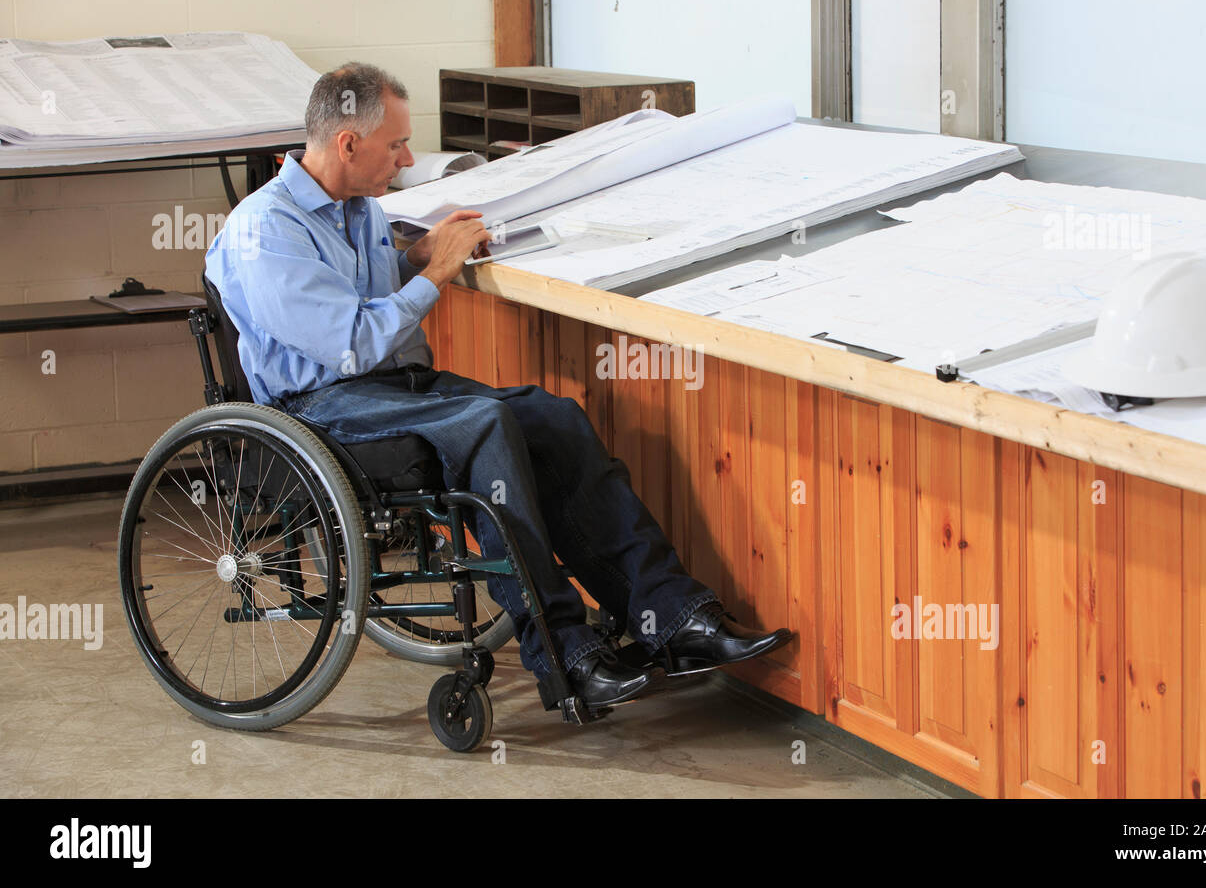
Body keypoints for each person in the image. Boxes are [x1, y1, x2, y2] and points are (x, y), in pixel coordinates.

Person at [205, 62, 792, 709]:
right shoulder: (265, 231)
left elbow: (358, 294)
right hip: (318, 409)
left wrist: (414, 257)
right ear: (349, 144)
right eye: (396, 145)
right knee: (483, 423)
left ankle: (673, 618)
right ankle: (564, 653)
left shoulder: (359, 208)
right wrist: (438, 277)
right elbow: (351, 343)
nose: (404, 160)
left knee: (552, 416)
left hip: (394, 385)